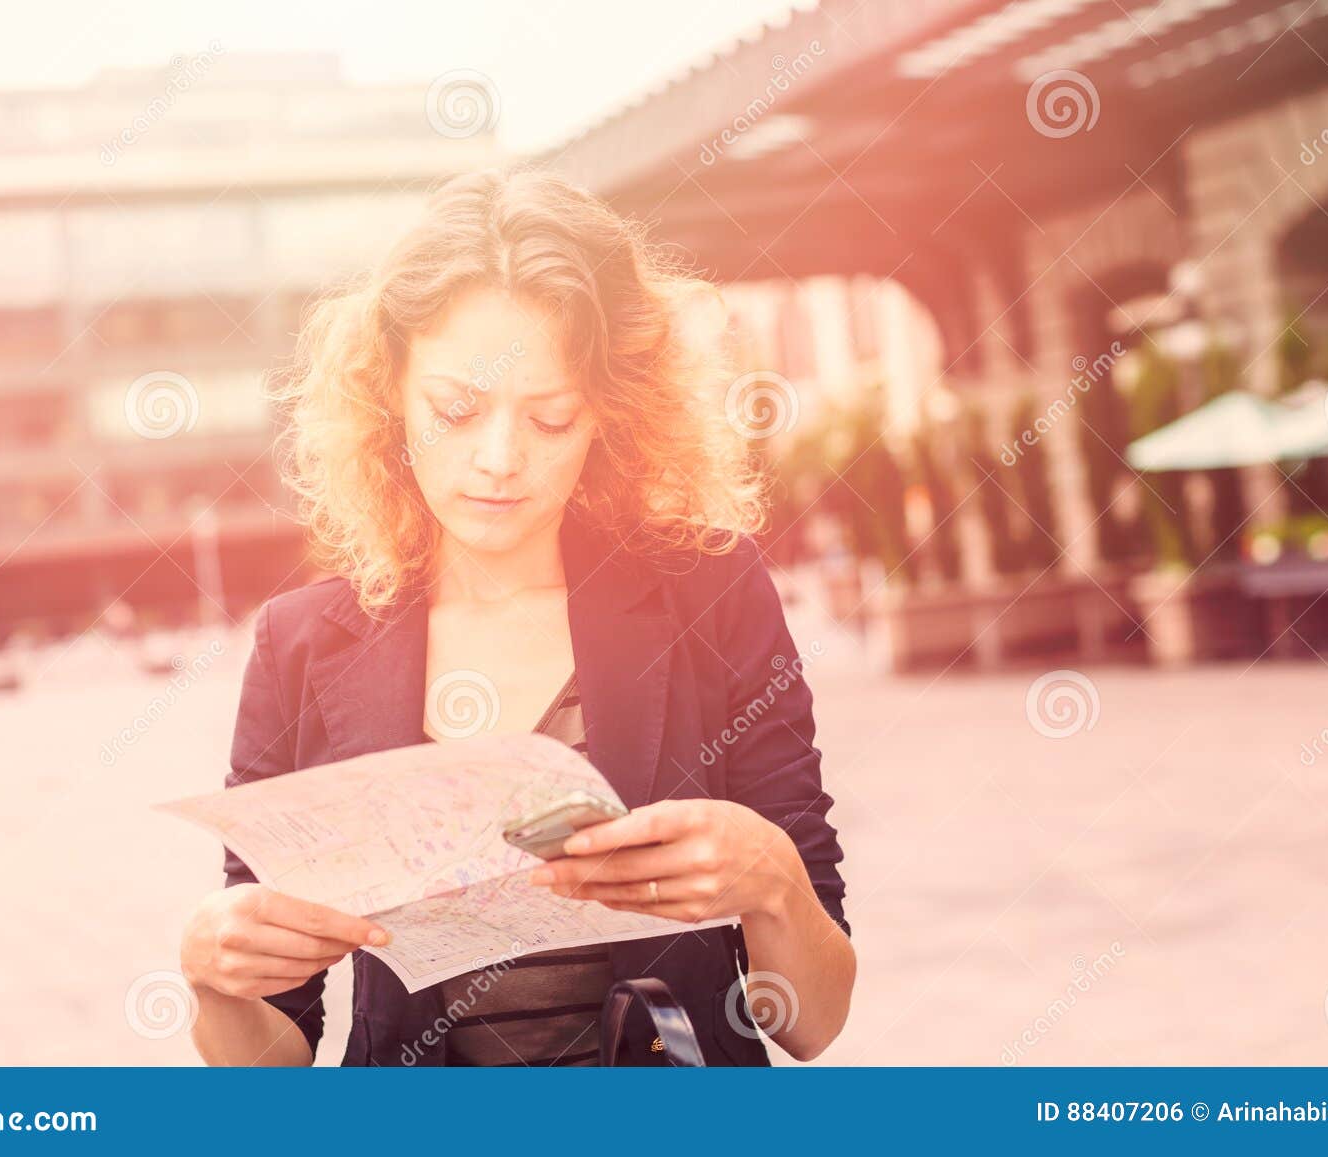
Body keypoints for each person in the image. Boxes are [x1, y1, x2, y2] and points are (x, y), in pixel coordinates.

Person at [178, 167, 854, 1066]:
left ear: (607, 414)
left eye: (551, 418)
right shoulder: (300, 645)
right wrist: (211, 978)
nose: (499, 458)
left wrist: (771, 880)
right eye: (456, 410)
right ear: (389, 391)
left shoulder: (712, 595)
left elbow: (814, 1021)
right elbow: (272, 1061)